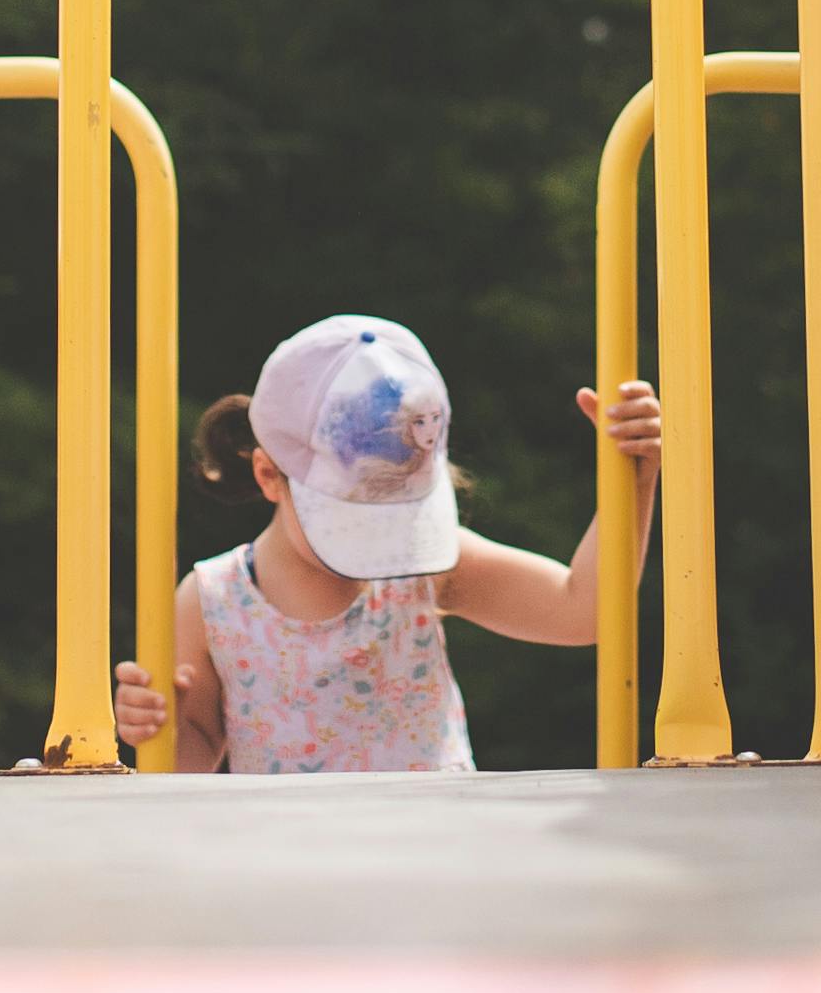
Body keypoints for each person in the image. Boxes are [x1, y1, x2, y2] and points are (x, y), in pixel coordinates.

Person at [108, 314, 661, 773]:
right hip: (289, 861)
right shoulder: (213, 600)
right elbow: (193, 761)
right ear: (269, 476)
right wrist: (161, 727)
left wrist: (632, 481)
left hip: (434, 853)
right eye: (355, 520)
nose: (381, 545)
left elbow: (583, 611)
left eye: (396, 516)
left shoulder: (425, 564)